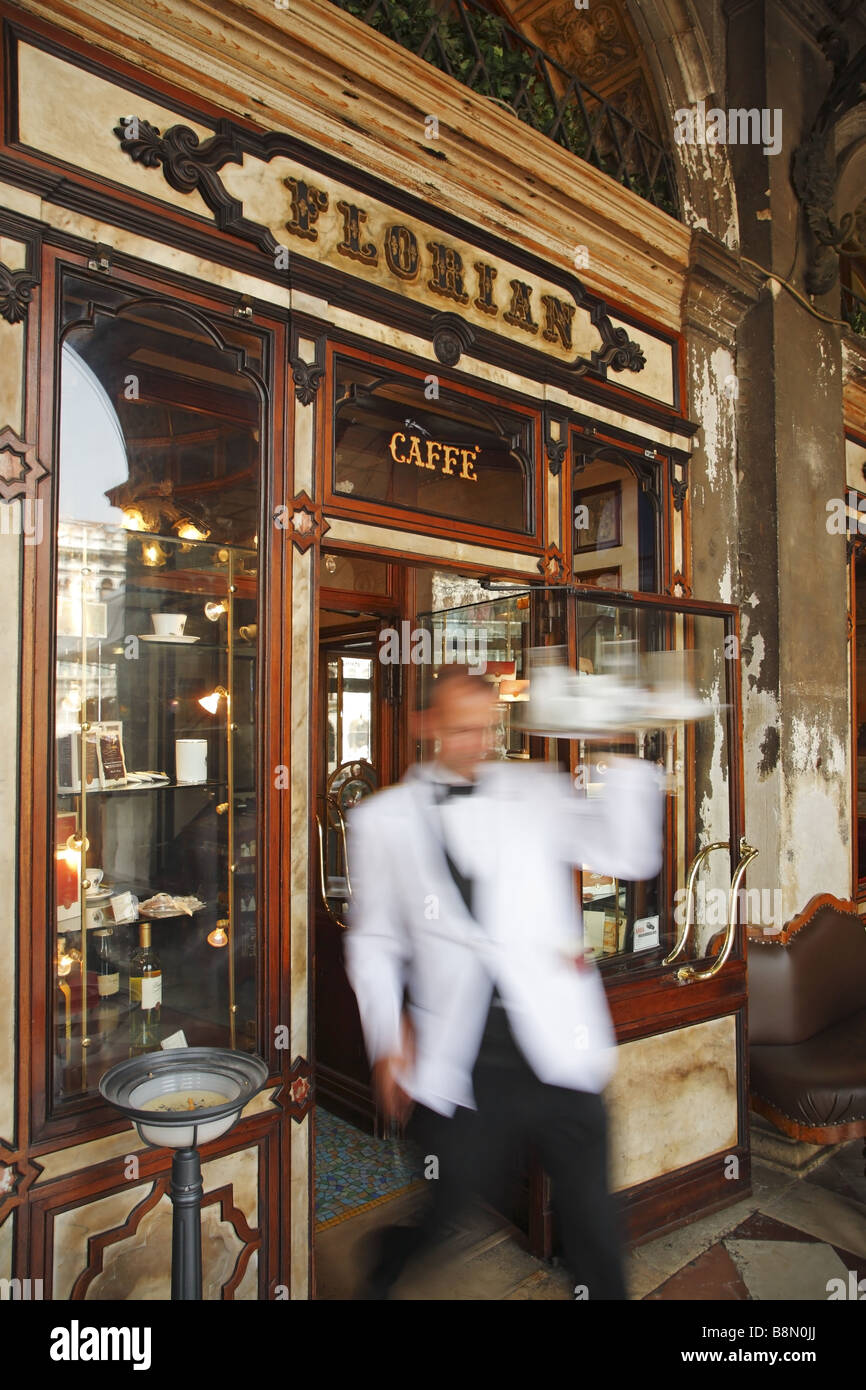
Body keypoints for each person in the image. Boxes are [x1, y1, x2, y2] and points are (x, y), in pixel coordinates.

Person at [344, 664, 664, 1299]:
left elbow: (631, 855)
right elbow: (375, 942)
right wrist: (386, 1037)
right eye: (461, 729)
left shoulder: (537, 789)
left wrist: (620, 747)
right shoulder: (380, 821)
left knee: (592, 1217)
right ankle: (389, 1254)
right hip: (462, 1058)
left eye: (487, 729)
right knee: (450, 1204)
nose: (478, 744)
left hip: (555, 1043)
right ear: (425, 725)